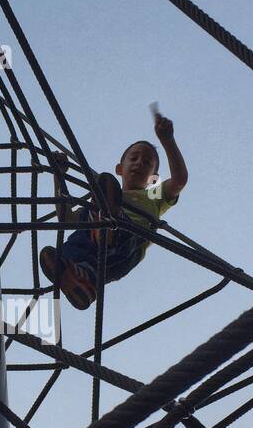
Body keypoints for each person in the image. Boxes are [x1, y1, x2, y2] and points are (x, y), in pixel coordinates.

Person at [39, 114, 188, 309]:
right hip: (97, 259)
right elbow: (66, 217)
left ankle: (107, 229)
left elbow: (179, 180)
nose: (139, 163)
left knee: (103, 189)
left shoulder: (153, 197)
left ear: (154, 178)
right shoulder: (103, 196)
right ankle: (82, 282)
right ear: (120, 168)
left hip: (125, 247)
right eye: (134, 158)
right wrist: (59, 176)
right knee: (97, 197)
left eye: (146, 162)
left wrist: (167, 140)